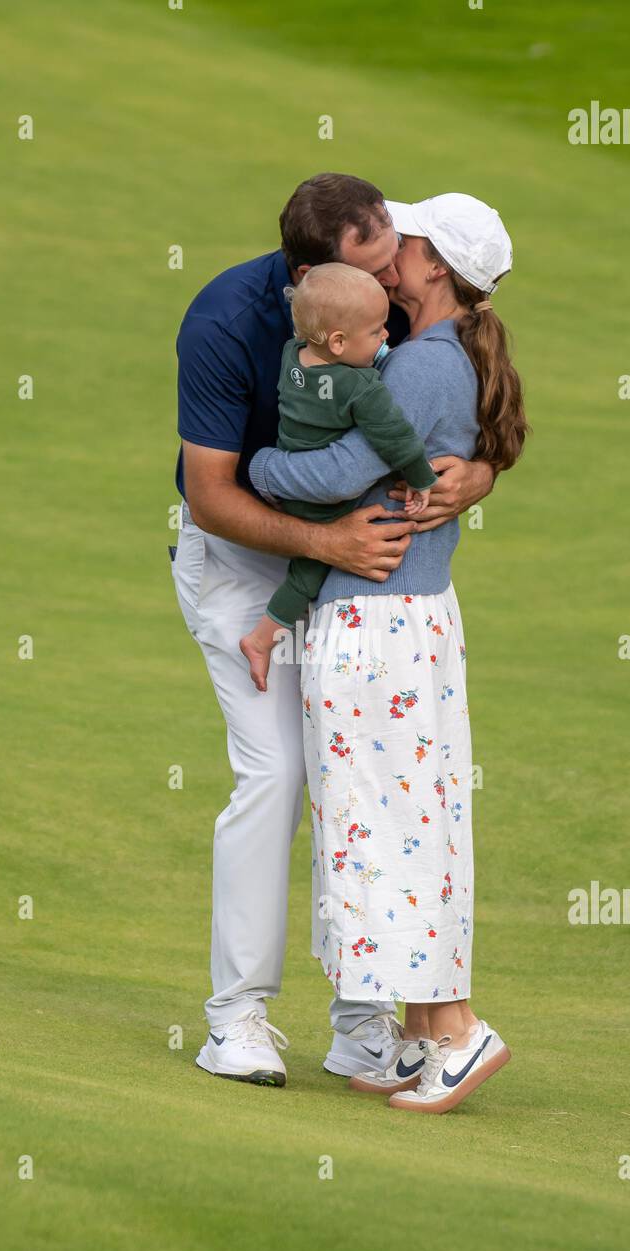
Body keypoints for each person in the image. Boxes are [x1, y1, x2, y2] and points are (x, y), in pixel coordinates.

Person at [170, 173, 499, 1089]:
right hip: (241, 556)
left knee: (346, 775)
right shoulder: (226, 321)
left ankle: (362, 1025)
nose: (395, 278)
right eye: (377, 266)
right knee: (279, 772)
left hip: (343, 574)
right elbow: (211, 494)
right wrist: (327, 540)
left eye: (398, 255)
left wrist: (476, 477)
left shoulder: (397, 320)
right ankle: (234, 1019)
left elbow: (444, 419)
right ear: (312, 281)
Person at [249, 193, 527, 1112]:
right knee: (391, 823)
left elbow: (333, 478)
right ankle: (421, 1030)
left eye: (405, 241)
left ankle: (455, 1028)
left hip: (382, 629)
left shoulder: (418, 370)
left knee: (393, 826)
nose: (390, 250)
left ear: (434, 266)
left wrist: (253, 469)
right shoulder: (423, 358)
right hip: (395, 624)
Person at [239, 262, 437, 693]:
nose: (387, 336)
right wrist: (421, 478)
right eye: (377, 331)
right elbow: (396, 437)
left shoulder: (294, 355)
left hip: (289, 473)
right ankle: (260, 640)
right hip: (319, 503)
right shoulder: (359, 388)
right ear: (339, 341)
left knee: (304, 569)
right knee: (306, 573)